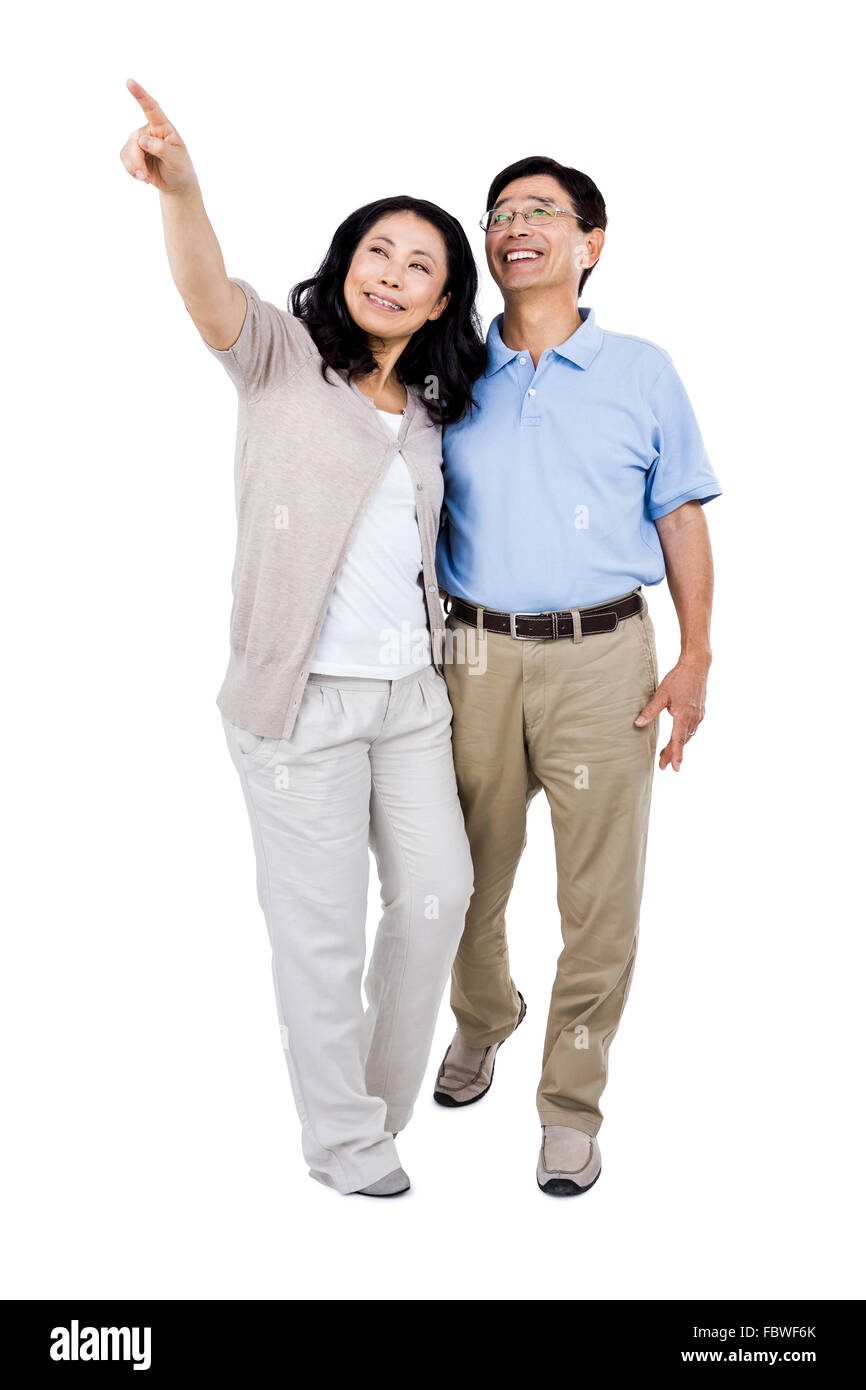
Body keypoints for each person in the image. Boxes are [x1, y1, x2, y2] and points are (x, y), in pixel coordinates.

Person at [120, 79, 485, 1198]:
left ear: (435, 305)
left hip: (411, 702)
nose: (392, 272)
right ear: (343, 266)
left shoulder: (428, 412)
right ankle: (343, 1145)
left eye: (419, 266)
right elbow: (204, 290)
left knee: (435, 902)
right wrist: (182, 188)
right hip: (298, 707)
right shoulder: (278, 355)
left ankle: (362, 1112)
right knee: (319, 935)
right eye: (377, 250)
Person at [434, 155, 722, 1196]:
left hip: (604, 658)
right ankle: (481, 1019)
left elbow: (678, 513)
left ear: (588, 244)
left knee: (598, 899)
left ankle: (568, 1102)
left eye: (541, 211)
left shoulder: (640, 370)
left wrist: (691, 657)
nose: (515, 226)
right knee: (459, 876)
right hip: (469, 654)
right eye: (500, 213)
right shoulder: (453, 368)